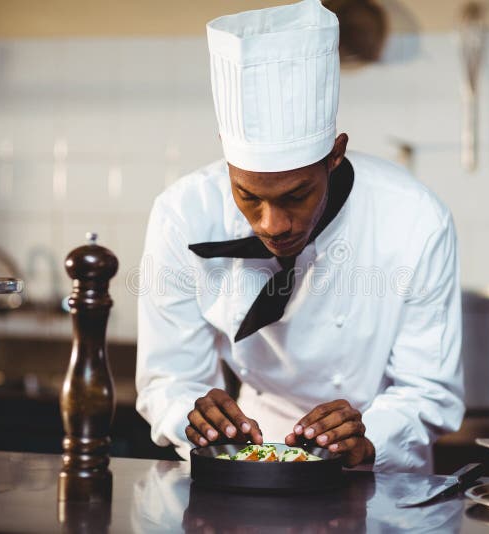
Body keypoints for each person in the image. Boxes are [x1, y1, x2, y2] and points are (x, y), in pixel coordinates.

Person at [136, 0, 463, 473]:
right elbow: (168, 378)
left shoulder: (414, 219)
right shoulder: (181, 213)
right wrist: (193, 416)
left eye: (295, 196)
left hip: (379, 473)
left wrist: (369, 436)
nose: (271, 223)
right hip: (246, 462)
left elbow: (431, 391)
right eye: (248, 195)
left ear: (334, 154)